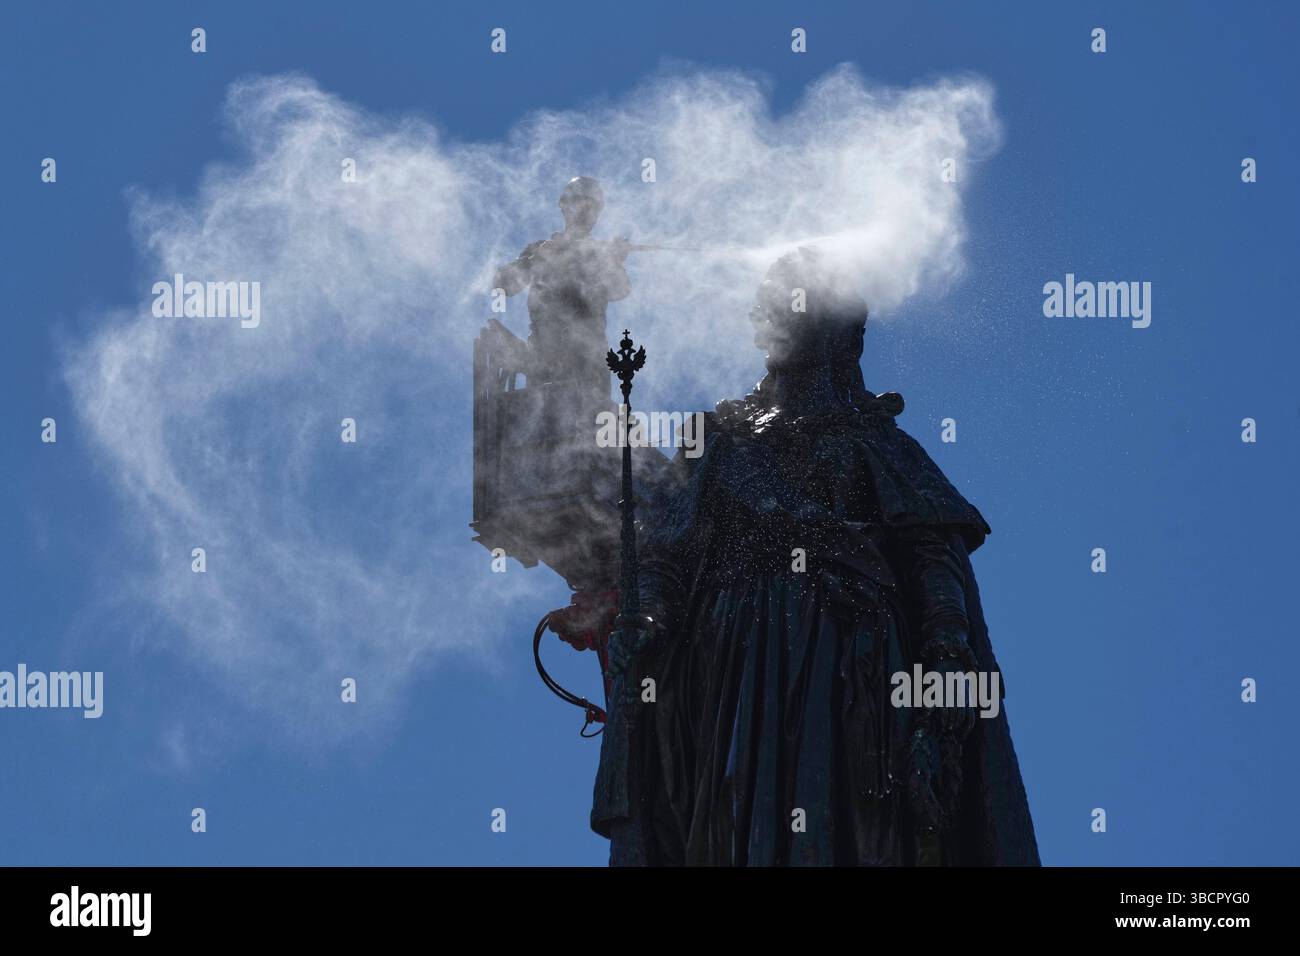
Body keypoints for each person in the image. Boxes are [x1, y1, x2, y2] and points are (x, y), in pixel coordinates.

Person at [592, 247, 1040, 866]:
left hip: (850, 656)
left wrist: (946, 647)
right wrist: (645, 617)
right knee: (732, 808)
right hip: (734, 661)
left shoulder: (875, 440)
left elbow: (931, 550)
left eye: (783, 301)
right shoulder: (719, 441)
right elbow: (666, 555)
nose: (761, 313)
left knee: (855, 818)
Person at [493, 177, 632, 394]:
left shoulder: (599, 254)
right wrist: (536, 260)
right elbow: (501, 285)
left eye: (593, 206)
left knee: (589, 422)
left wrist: (612, 259)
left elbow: (620, 289)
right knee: (544, 420)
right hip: (545, 357)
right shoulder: (541, 250)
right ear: (564, 206)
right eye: (580, 202)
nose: (586, 212)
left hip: (589, 361)